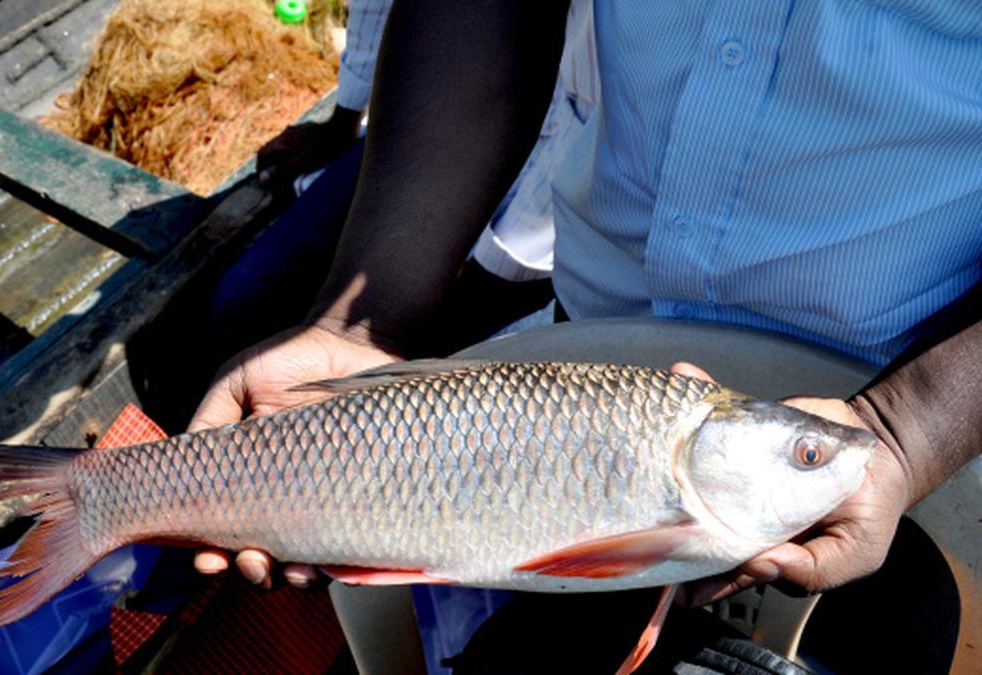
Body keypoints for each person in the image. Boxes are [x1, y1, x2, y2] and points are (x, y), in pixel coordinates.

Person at [186, 0, 982, 667]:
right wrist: (365, 317)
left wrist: (900, 433)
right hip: (576, 362)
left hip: (923, 423)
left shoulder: (883, 445)